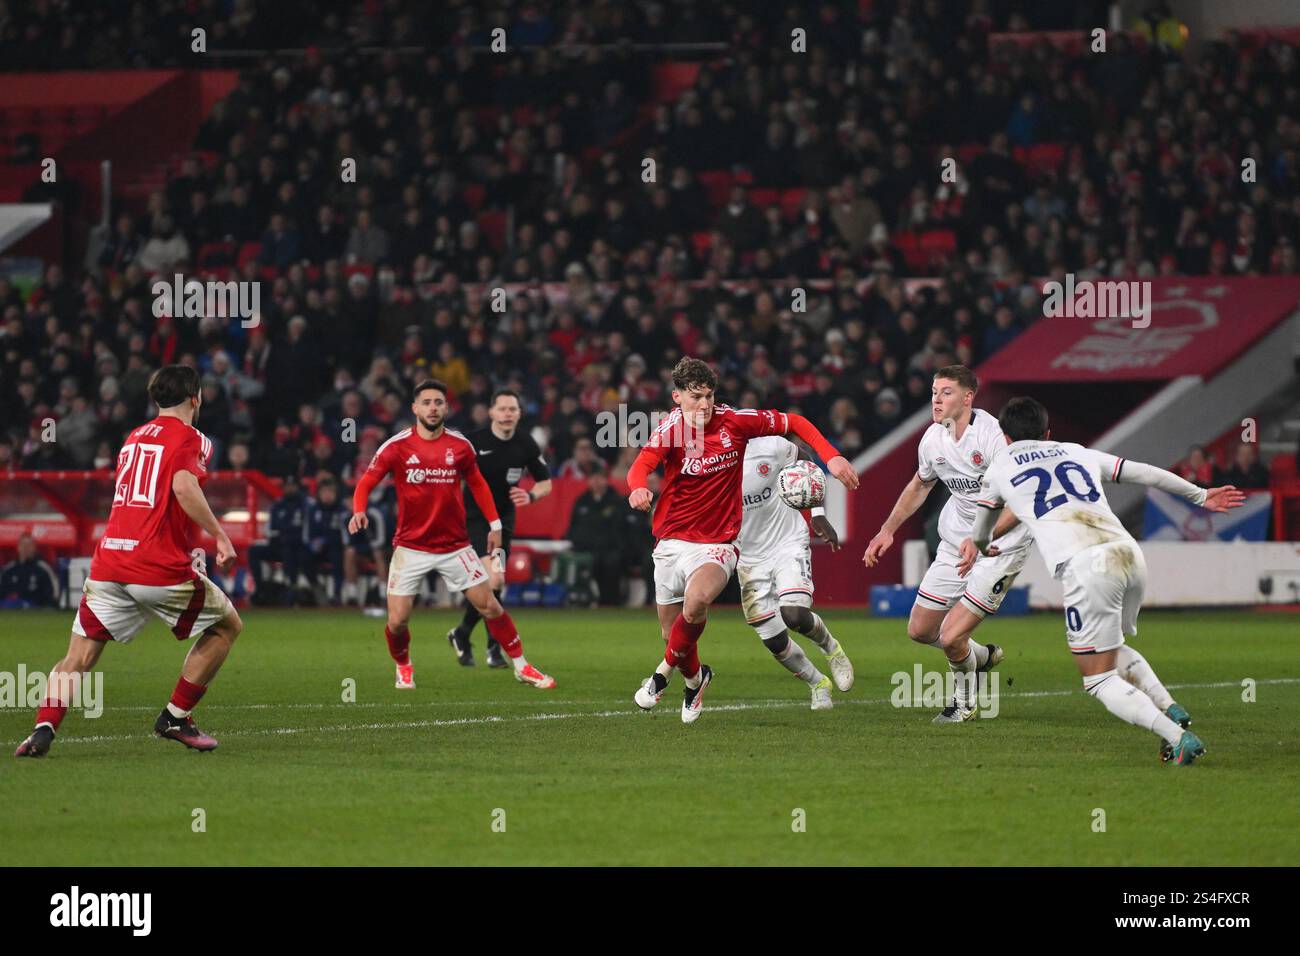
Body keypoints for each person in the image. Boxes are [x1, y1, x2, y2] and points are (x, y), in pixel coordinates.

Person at [967, 396, 1244, 764]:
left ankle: (1177, 737)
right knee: (1109, 646)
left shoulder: (1000, 465)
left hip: (1088, 566)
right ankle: (1169, 705)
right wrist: (1199, 494)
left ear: (1003, 437)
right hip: (1128, 553)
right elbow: (1144, 471)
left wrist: (983, 549)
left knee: (1098, 679)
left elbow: (981, 532)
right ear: (1048, 433)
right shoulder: (1075, 451)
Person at [15, 365, 243, 758]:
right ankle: (175, 716)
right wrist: (220, 535)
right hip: (153, 566)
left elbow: (145, 501)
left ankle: (43, 727)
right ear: (196, 398)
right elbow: (183, 487)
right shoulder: (192, 438)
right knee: (226, 627)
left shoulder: (133, 438)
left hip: (108, 563)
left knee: (79, 656)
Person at [626, 357, 858, 724]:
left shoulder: (746, 429)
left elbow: (797, 432)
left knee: (778, 611)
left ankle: (660, 676)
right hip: (680, 542)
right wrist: (637, 486)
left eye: (710, 397)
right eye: (696, 397)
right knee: (684, 636)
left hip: (737, 542)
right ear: (677, 398)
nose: (704, 405)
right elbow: (641, 464)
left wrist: (831, 464)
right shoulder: (671, 431)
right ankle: (700, 680)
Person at [349, 379, 554, 690]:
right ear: (415, 408)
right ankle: (404, 665)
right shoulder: (396, 446)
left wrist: (495, 525)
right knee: (398, 620)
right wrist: (359, 509)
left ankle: (522, 666)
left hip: (455, 546)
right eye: (427, 402)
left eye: (439, 402)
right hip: (411, 546)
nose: (433, 408)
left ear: (446, 408)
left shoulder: (459, 446)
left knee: (491, 604)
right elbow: (367, 480)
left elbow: (478, 485)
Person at [864, 365, 1031, 722]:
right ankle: (981, 658)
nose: (936, 400)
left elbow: (1020, 503)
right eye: (934, 392)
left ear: (968, 397)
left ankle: (965, 703)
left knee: (953, 636)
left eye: (946, 392)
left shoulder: (993, 438)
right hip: (957, 542)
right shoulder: (933, 439)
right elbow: (920, 485)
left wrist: (982, 537)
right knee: (921, 630)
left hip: (999, 546)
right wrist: (887, 529)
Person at [737, 436, 855, 709]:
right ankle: (818, 683)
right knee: (774, 641)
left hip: (786, 542)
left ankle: (831, 648)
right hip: (748, 557)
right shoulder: (708, 464)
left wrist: (816, 513)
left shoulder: (769, 446)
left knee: (794, 614)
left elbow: (805, 459)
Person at [446, 389, 552, 667]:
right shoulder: (473, 442)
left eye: (512, 409)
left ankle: (463, 633)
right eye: (502, 409)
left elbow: (546, 483)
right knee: (493, 581)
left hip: (504, 522)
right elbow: (452, 476)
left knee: (497, 581)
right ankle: (493, 647)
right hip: (474, 520)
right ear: (491, 412)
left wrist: (530, 496)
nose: (507, 414)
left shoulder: (526, 444)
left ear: (519, 414)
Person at [566, 469, 625, 605]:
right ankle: (583, 599)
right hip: (586, 548)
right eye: (593, 478)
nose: (597, 482)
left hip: (610, 548)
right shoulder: (582, 501)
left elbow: (620, 529)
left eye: (600, 478)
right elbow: (574, 527)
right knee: (586, 560)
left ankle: (611, 602)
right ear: (589, 481)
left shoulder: (615, 501)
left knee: (611, 562)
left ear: (606, 480)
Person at [248, 475, 306, 606]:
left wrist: (285, 531)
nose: (289, 489)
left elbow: (304, 530)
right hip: (277, 544)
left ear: (297, 487)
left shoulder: (304, 504)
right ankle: (260, 587)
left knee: (289, 547)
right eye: (287, 486)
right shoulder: (277, 505)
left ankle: (290, 587)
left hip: (297, 546)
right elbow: (269, 529)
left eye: (292, 486)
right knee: (254, 551)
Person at [303, 477, 347, 604]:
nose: (327, 495)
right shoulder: (313, 510)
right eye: (324, 492)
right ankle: (316, 587)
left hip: (336, 547)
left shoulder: (342, 510)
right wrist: (313, 543)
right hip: (317, 548)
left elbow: (346, 535)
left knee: (337, 553)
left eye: (330, 492)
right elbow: (307, 535)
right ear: (319, 494)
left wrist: (326, 540)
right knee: (303, 554)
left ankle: (337, 593)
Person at [0, 533, 59, 608]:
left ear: (34, 548)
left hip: (35, 609)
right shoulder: (8, 569)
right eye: (23, 545)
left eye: (29, 545)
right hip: (10, 608)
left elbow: (53, 595)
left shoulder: (43, 569)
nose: (26, 548)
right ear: (18, 547)